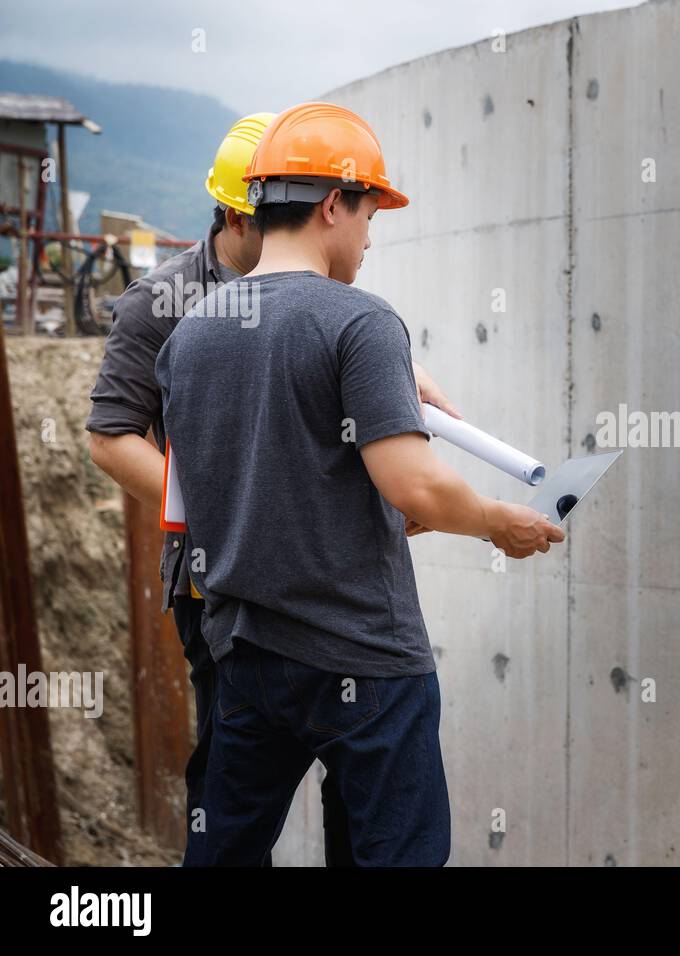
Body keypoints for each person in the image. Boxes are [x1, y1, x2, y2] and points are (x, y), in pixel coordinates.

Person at [157, 101, 564, 866]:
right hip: (362, 655)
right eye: (370, 215)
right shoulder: (359, 322)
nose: (371, 239)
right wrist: (498, 524)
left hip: (245, 654)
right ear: (333, 204)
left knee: (224, 853)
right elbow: (416, 485)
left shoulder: (189, 336)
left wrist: (363, 505)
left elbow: (235, 485)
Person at [86, 112, 460, 865]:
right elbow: (109, 436)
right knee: (232, 799)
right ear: (238, 212)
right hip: (223, 592)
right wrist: (233, 514)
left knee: (351, 794)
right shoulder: (164, 308)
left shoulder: (318, 298)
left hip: (325, 594)